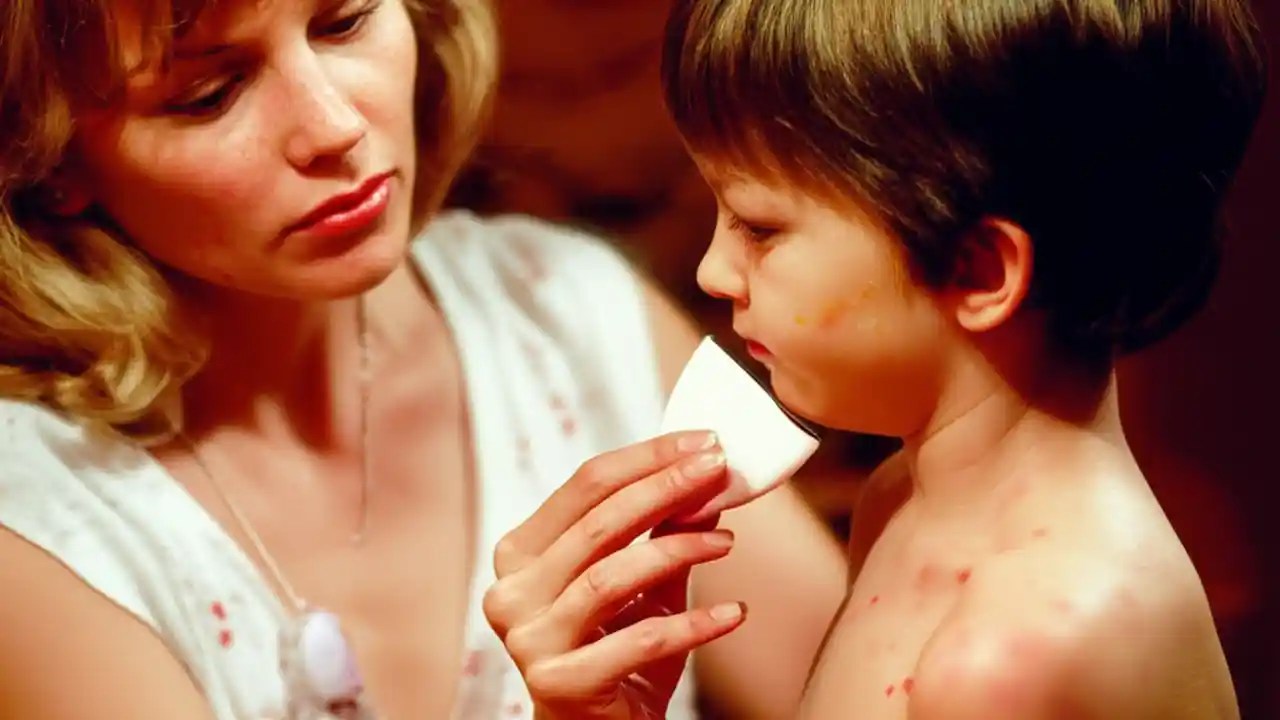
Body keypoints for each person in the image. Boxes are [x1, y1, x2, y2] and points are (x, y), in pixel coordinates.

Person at [0, 1, 845, 719]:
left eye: (345, 22)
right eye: (210, 94)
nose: (334, 127)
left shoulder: (564, 313)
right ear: (51, 155)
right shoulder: (37, 521)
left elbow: (886, 682)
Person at [644, 0, 1259, 718]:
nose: (713, 271)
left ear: (979, 271)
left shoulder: (1013, 656)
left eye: (760, 226)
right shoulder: (899, 497)